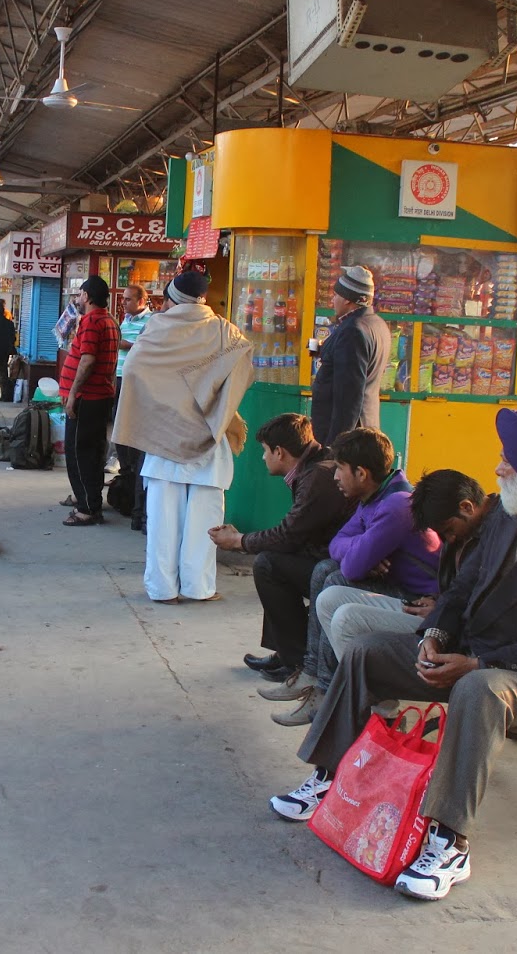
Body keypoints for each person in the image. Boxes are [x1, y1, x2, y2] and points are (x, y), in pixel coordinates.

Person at [269, 409, 517, 903]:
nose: (498, 470)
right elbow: (460, 590)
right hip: (473, 651)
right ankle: (330, 778)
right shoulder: (507, 512)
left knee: (479, 689)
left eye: (507, 463)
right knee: (367, 652)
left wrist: (478, 664)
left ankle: (448, 841)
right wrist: (434, 635)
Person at [265, 427, 440, 725]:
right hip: (397, 589)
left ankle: (329, 690)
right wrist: (360, 548)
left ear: (361, 473)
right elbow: (337, 545)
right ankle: (315, 676)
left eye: (340, 470)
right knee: (323, 570)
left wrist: (359, 552)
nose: (335, 478)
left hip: (420, 604)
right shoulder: (374, 497)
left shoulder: (397, 505)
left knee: (334, 579)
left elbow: (352, 568)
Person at [303, 470, 498, 719]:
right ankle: (374, 703)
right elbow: (338, 546)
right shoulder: (462, 530)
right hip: (434, 612)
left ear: (467, 507)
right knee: (330, 598)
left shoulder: (495, 534)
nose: (447, 538)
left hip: (453, 629)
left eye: (448, 531)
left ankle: (381, 715)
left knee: (346, 617)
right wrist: (438, 602)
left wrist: (439, 616)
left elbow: (484, 604)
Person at [113, 269, 253, 600]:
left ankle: (162, 589)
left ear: (172, 297)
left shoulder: (158, 329)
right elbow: (241, 369)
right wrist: (209, 399)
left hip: (163, 437)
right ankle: (199, 588)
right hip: (209, 436)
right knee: (205, 519)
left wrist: (159, 404)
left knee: (162, 519)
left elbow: (132, 370)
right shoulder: (225, 331)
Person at [208, 413, 354, 684]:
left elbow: (288, 534)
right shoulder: (314, 468)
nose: (263, 458)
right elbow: (294, 532)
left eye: (265, 451)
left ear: (280, 452)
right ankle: (286, 652)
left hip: (337, 566)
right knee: (274, 558)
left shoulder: (317, 478)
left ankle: (297, 660)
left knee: (268, 565)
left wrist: (239, 541)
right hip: (326, 553)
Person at [57, 276, 120, 526]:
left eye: (81, 294)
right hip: (99, 396)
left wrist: (72, 394)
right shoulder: (109, 320)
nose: (79, 298)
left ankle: (87, 508)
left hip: (87, 398)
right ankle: (86, 497)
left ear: (89, 296)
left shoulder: (93, 321)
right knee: (92, 452)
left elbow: (88, 360)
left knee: (79, 452)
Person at [310, 265, 391, 452]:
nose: (333, 300)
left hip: (349, 439)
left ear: (347, 299)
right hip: (363, 429)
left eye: (336, 295)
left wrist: (335, 447)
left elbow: (349, 395)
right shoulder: (376, 324)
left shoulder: (353, 331)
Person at [111, 284, 154, 518]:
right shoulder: (125, 320)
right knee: (119, 429)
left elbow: (150, 347)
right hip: (119, 377)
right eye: (123, 299)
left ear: (141, 301)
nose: (124, 303)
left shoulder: (150, 322)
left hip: (136, 382)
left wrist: (127, 344)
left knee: (129, 431)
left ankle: (131, 475)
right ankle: (126, 472)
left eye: (128, 299)